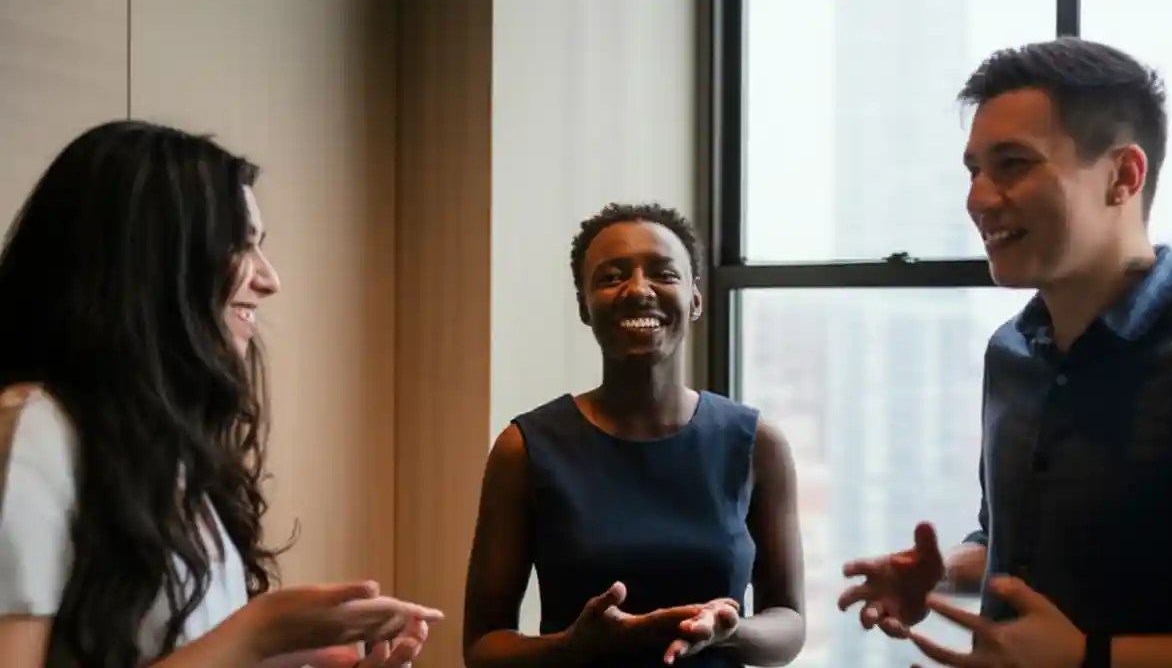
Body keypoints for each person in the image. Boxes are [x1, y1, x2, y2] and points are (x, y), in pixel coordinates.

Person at [837, 36, 1172, 668]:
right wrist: (946, 573)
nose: (978, 198)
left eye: (1012, 164)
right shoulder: (1011, 352)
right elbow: (1018, 542)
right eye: (974, 169)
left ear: (1123, 176)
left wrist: (1090, 658)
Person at [0, 120, 443, 668]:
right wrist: (258, 632)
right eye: (241, 246)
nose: (269, 278)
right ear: (153, 259)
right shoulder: (32, 429)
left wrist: (288, 656)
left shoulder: (160, 455)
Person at [462, 203, 805, 667]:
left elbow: (789, 621)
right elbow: (483, 647)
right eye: (611, 276)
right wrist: (573, 647)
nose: (639, 290)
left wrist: (729, 631)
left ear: (696, 299)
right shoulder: (526, 448)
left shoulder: (756, 444)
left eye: (664, 273)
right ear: (584, 305)